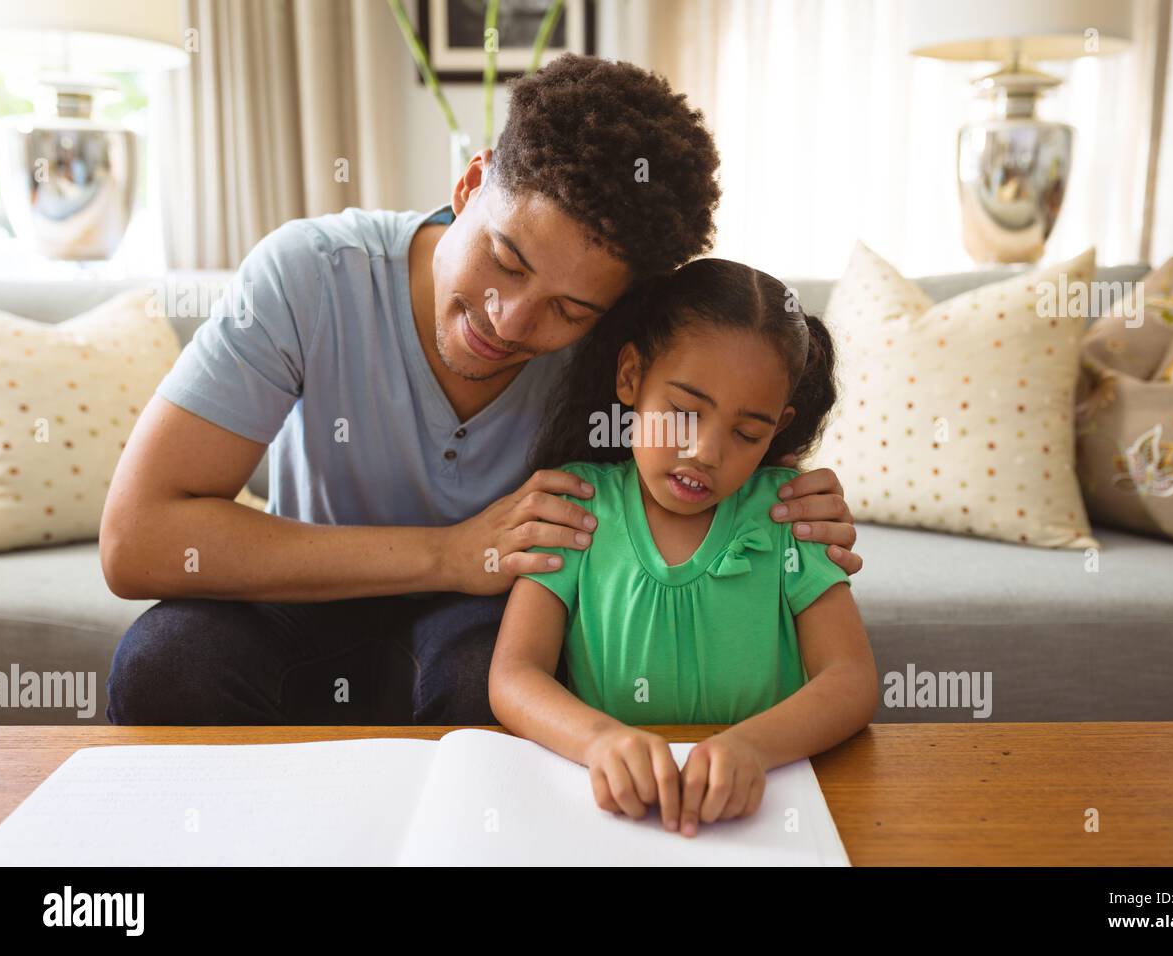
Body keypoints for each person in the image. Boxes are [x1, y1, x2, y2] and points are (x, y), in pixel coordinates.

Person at [100, 55, 864, 726]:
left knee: (479, 685)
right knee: (165, 664)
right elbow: (135, 540)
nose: (509, 322)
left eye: (570, 309)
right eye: (506, 259)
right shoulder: (309, 275)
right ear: (470, 183)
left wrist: (785, 491)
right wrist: (447, 555)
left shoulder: (620, 346)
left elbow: (715, 416)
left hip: (487, 620)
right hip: (310, 586)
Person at [489, 258, 878, 835]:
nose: (705, 451)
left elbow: (851, 680)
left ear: (777, 427)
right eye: (684, 412)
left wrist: (752, 747)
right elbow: (514, 675)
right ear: (630, 377)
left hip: (770, 812)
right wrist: (599, 740)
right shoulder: (575, 506)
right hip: (613, 817)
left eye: (747, 433)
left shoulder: (789, 514)